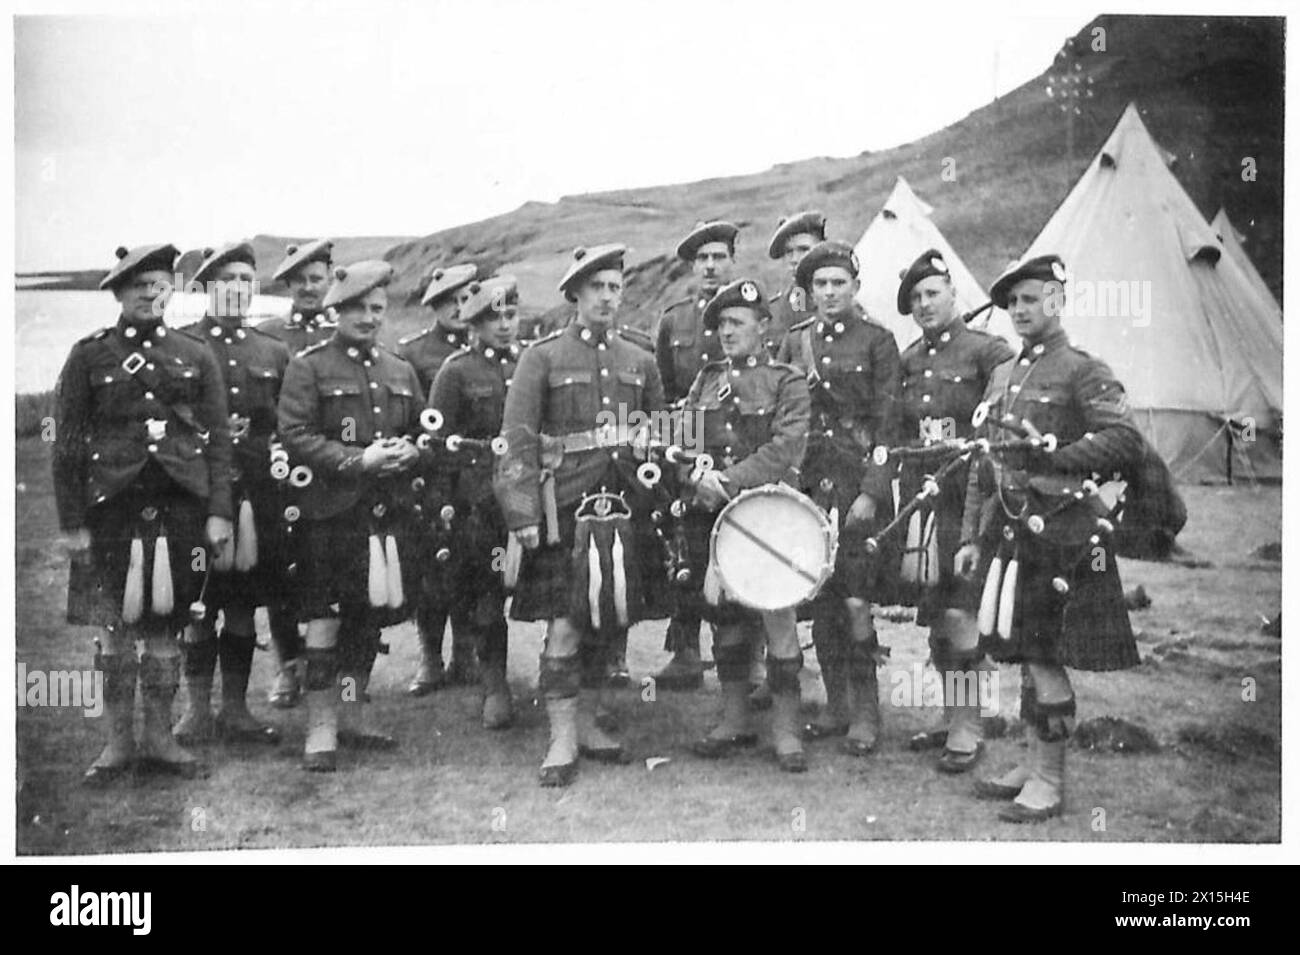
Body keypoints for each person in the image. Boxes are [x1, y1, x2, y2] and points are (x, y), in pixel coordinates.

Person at [955, 254, 1143, 821]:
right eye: (1012, 302)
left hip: (1061, 532)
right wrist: (971, 536)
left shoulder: (1083, 369)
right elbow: (984, 463)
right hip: (1010, 530)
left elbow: (1124, 440)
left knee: (1044, 655)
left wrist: (1057, 456)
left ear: (1057, 302)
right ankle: (1030, 763)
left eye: (1030, 300)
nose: (1019, 310)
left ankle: (1050, 780)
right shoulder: (1005, 374)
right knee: (1020, 650)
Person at [54, 243, 233, 783]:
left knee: (166, 629)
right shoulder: (89, 355)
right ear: (118, 292)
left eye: (159, 286)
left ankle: (159, 739)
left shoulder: (195, 354)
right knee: (113, 629)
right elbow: (67, 444)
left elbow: (219, 439)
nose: (150, 294)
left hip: (180, 508)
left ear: (170, 291)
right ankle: (117, 744)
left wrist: (219, 512)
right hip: (111, 510)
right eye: (138, 286)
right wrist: (72, 523)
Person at [494, 243, 665, 787]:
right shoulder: (541, 357)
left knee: (606, 620)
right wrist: (521, 512)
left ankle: (587, 721)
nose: (607, 298)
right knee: (565, 624)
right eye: (597, 288)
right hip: (564, 507)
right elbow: (515, 441)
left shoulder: (640, 358)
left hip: (624, 506)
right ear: (575, 294)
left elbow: (659, 432)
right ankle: (562, 736)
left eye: (615, 287)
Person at [277, 261, 427, 771]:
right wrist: (357, 460)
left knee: (366, 619)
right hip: (328, 515)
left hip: (382, 516)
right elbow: (295, 435)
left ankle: (352, 712)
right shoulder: (310, 366)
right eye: (358, 308)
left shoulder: (399, 368)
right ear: (337, 310)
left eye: (377, 308)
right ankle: (321, 726)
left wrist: (413, 450)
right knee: (323, 620)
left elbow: (421, 430)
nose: (368, 317)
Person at [678, 279, 812, 771]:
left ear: (763, 327)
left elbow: (786, 447)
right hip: (713, 517)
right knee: (727, 620)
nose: (727, 332)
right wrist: (693, 475)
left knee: (778, 618)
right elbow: (683, 441)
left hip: (768, 515)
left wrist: (728, 481)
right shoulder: (707, 380)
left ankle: (787, 730)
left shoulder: (786, 381)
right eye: (721, 325)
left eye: (737, 323)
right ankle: (734, 720)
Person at [778, 240, 900, 756]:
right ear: (809, 292)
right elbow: (783, 417)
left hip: (855, 485)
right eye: (820, 285)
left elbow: (889, 425)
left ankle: (866, 711)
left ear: (855, 286)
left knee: (855, 599)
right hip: (808, 484)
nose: (829, 293)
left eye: (838, 283)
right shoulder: (794, 342)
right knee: (822, 599)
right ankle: (835, 705)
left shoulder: (877, 341)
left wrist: (872, 491)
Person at [895, 249, 1015, 773]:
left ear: (953, 293)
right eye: (916, 297)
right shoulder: (909, 359)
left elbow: (1000, 416)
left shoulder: (989, 352)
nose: (925, 304)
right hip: (928, 498)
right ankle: (951, 717)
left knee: (962, 611)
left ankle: (970, 725)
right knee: (938, 612)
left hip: (973, 496)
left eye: (932, 293)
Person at [173, 242, 290, 746]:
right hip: (196, 495)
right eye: (227, 280)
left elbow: (287, 423)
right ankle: (197, 711)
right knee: (197, 602)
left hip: (256, 495)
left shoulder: (272, 351)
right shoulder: (182, 345)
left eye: (246, 279)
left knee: (244, 603)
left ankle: (237, 710)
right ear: (206, 287)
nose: (238, 288)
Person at [426, 275, 521, 729]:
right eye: (492, 319)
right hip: (480, 504)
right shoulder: (456, 372)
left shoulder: (530, 363)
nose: (503, 326)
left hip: (531, 498)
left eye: (510, 315)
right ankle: (495, 685)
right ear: (474, 324)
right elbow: (437, 444)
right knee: (487, 594)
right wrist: (446, 507)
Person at [651, 220, 737, 691]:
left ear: (732, 262)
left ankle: (744, 656)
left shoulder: (747, 313)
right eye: (702, 259)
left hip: (734, 447)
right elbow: (663, 393)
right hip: (686, 450)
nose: (710, 266)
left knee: (734, 544)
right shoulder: (674, 320)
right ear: (692, 266)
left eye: (718, 257)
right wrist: (675, 455)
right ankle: (685, 652)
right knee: (683, 544)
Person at [259, 237, 337, 708]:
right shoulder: (270, 336)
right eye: (300, 280)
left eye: (317, 279)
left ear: (330, 281)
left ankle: (332, 668)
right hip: (283, 470)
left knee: (331, 568)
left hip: (335, 469)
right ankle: (287, 665)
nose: (309, 288)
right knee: (283, 570)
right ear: (288, 285)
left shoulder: (346, 332)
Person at [397, 262, 481, 694]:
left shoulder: (488, 350)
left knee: (472, 566)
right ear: (434, 305)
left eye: (467, 298)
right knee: (432, 571)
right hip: (432, 477)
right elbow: (407, 415)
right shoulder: (413, 353)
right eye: (450, 301)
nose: (459, 308)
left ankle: (465, 653)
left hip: (476, 477)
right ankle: (430, 657)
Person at [765, 210, 824, 348]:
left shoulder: (838, 302)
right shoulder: (772, 312)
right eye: (789, 252)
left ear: (822, 251)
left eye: (803, 249)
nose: (795, 259)